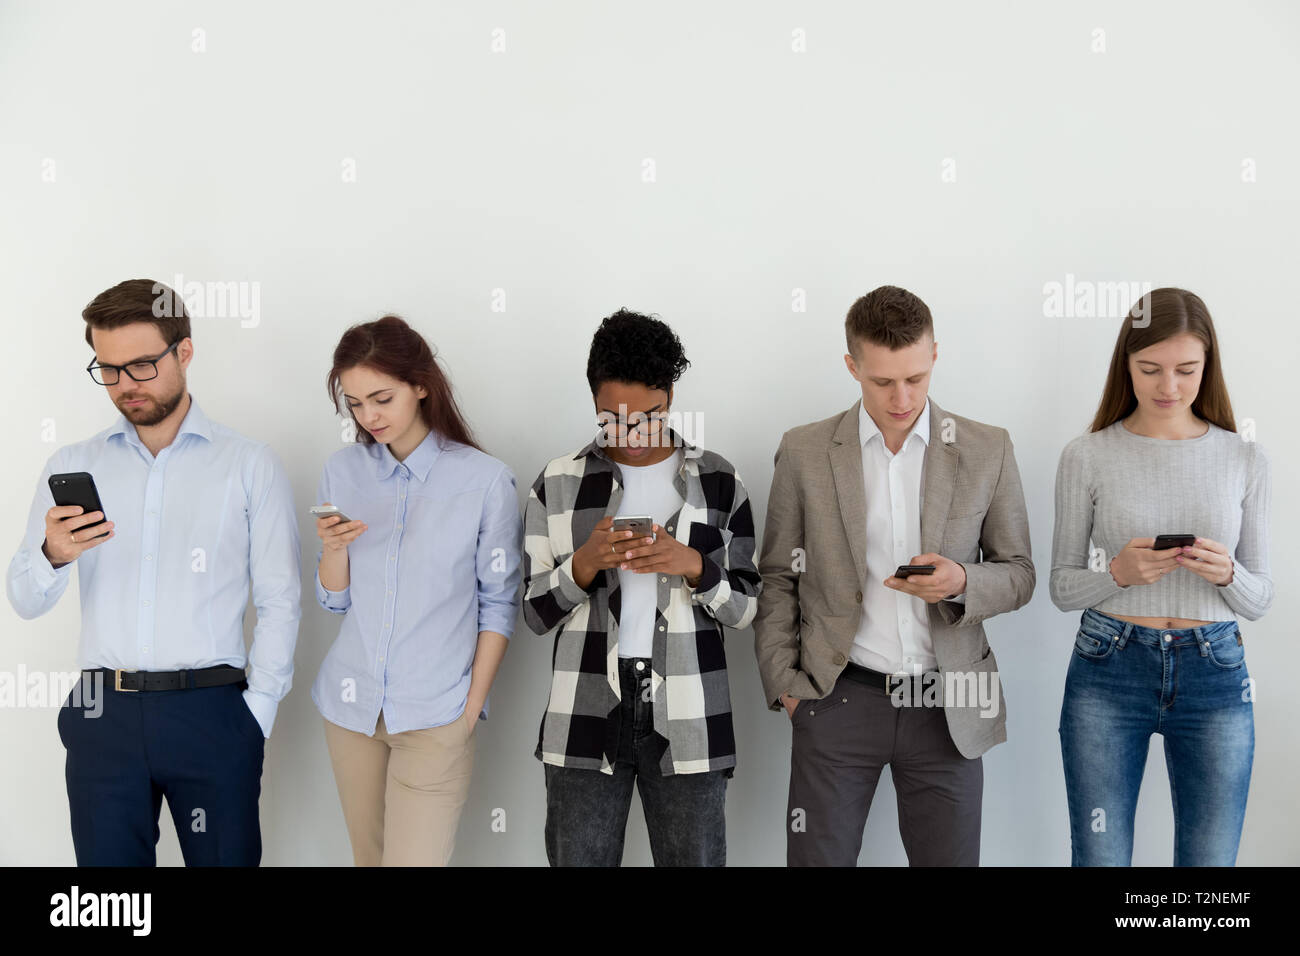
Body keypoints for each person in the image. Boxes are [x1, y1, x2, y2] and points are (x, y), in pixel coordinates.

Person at [6, 278, 301, 865]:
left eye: (141, 366)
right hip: (102, 715)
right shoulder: (71, 464)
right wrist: (53, 555)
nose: (124, 386)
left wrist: (255, 715)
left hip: (213, 714)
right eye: (108, 369)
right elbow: (23, 598)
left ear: (183, 352)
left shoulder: (247, 465)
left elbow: (280, 600)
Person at [753, 285, 1035, 866]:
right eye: (882, 382)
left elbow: (1020, 574)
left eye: (915, 377)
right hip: (836, 700)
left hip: (949, 705)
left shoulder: (988, 449)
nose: (902, 397)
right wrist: (788, 687)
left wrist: (961, 581)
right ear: (852, 366)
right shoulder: (804, 451)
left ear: (934, 354)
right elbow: (778, 574)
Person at [521, 308, 761, 866]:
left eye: (648, 417)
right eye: (612, 419)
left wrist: (693, 566)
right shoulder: (558, 481)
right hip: (583, 712)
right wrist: (583, 565)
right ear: (594, 404)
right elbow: (533, 613)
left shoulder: (720, 481)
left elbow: (749, 607)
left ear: (671, 396)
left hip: (690, 714)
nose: (630, 435)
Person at [1051, 288, 1271, 867]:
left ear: (1208, 367)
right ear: (1126, 365)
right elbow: (1060, 586)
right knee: (1099, 858)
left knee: (1209, 867)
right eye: (1150, 369)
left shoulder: (1245, 458)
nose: (1167, 387)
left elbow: (1261, 597)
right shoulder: (1087, 455)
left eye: (1185, 370)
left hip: (1215, 671)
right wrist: (1117, 574)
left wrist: (1229, 575)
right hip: (1108, 666)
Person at [312, 315, 522, 866]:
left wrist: (469, 708)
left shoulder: (484, 480)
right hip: (351, 708)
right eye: (355, 403)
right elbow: (334, 601)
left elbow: (499, 603)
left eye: (381, 397)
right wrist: (334, 549)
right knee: (369, 860)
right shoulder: (343, 471)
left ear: (421, 385)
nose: (368, 416)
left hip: (436, 714)